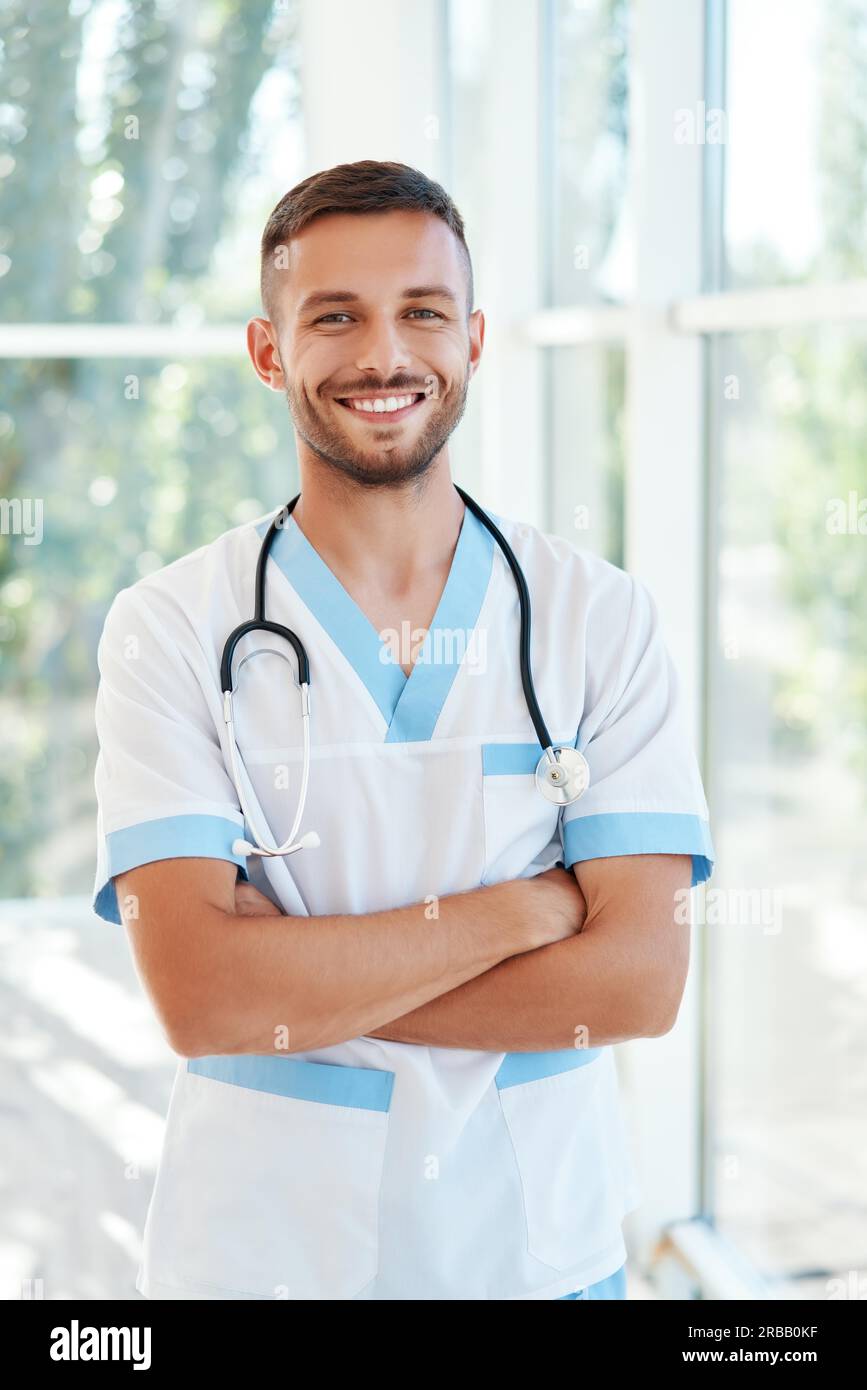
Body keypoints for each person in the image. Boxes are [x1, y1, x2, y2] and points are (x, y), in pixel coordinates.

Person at [92, 160, 714, 1301]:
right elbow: (205, 999)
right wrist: (530, 911)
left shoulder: (598, 617)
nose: (385, 355)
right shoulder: (171, 628)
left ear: (473, 339)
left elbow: (636, 983)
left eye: (422, 313)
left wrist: (299, 974)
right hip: (267, 1257)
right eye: (336, 317)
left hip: (538, 1254)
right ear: (271, 351)